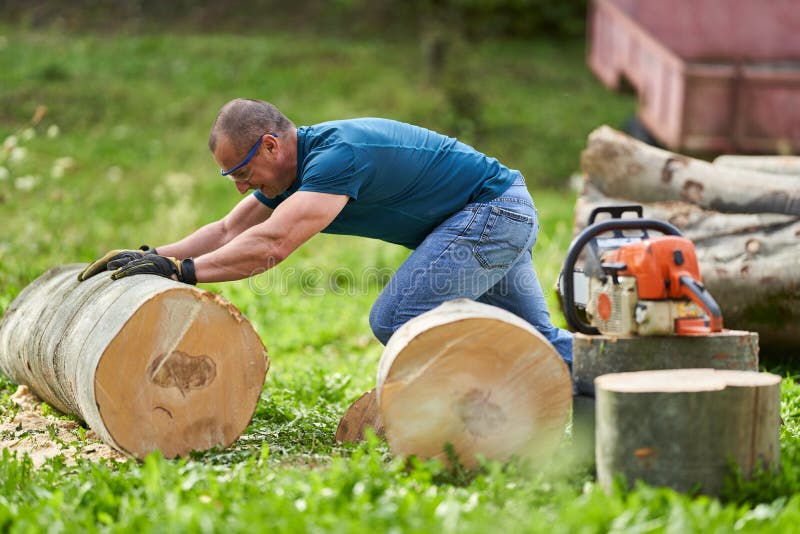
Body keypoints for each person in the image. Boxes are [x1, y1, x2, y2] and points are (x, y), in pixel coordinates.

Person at [78, 98, 573, 365]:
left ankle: (486, 400)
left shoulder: (337, 158)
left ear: (270, 146)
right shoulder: (294, 169)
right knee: (544, 344)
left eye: (242, 174)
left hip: (492, 212)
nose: (240, 188)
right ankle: (633, 378)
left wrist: (184, 272)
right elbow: (230, 230)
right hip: (496, 210)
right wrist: (152, 255)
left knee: (396, 317)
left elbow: (273, 243)